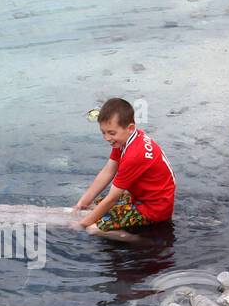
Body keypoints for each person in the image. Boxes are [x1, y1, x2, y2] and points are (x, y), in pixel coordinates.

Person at [73, 98, 176, 234]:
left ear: (130, 128)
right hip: (144, 197)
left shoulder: (134, 155)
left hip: (154, 209)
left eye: (111, 133)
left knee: (93, 229)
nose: (107, 138)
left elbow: (112, 199)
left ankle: (141, 241)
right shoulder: (125, 139)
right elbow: (108, 171)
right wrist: (82, 203)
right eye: (103, 132)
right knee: (94, 206)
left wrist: (82, 224)